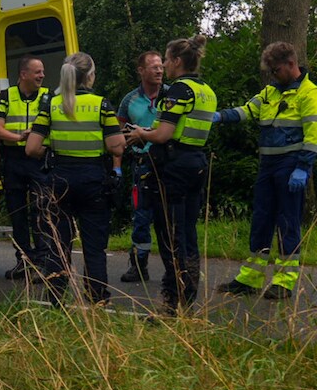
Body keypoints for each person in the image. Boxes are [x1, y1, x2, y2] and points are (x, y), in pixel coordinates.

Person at [213, 41, 317, 300]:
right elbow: (247, 110)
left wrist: (303, 168)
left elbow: (314, 135)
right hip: (267, 166)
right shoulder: (270, 91)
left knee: (287, 222)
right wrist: (219, 116)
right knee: (261, 221)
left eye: (276, 70)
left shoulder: (309, 93)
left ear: (292, 64)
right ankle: (251, 278)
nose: (273, 75)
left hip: (291, 166)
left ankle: (285, 280)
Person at [124, 36, 215, 315]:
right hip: (196, 163)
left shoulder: (179, 90)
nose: (163, 64)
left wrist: (141, 133)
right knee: (187, 232)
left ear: (177, 61)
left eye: (166, 59)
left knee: (170, 235)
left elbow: (163, 134)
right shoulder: (206, 90)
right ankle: (187, 299)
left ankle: (172, 302)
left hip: (174, 167)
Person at [25, 52, 125, 305]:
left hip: (60, 179)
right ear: (90, 75)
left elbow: (32, 148)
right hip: (93, 180)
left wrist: (51, 148)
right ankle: (98, 298)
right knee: (94, 246)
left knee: (58, 243)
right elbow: (117, 147)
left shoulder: (52, 105)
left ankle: (56, 298)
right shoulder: (102, 105)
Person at [0, 56, 49, 280]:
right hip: (14, 159)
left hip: (38, 159)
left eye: (42, 72)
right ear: (23, 74)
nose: (42, 76)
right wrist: (18, 137)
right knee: (17, 214)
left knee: (41, 212)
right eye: (37, 72)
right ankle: (23, 261)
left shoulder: (47, 96)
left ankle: (43, 263)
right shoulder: (6, 96)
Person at [117, 51, 166, 283]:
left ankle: (174, 266)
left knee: (168, 216)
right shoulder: (129, 100)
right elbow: (118, 134)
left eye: (161, 67)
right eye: (154, 67)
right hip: (141, 165)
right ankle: (139, 265)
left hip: (167, 163)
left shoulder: (172, 95)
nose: (159, 70)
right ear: (141, 70)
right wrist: (116, 166)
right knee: (141, 216)